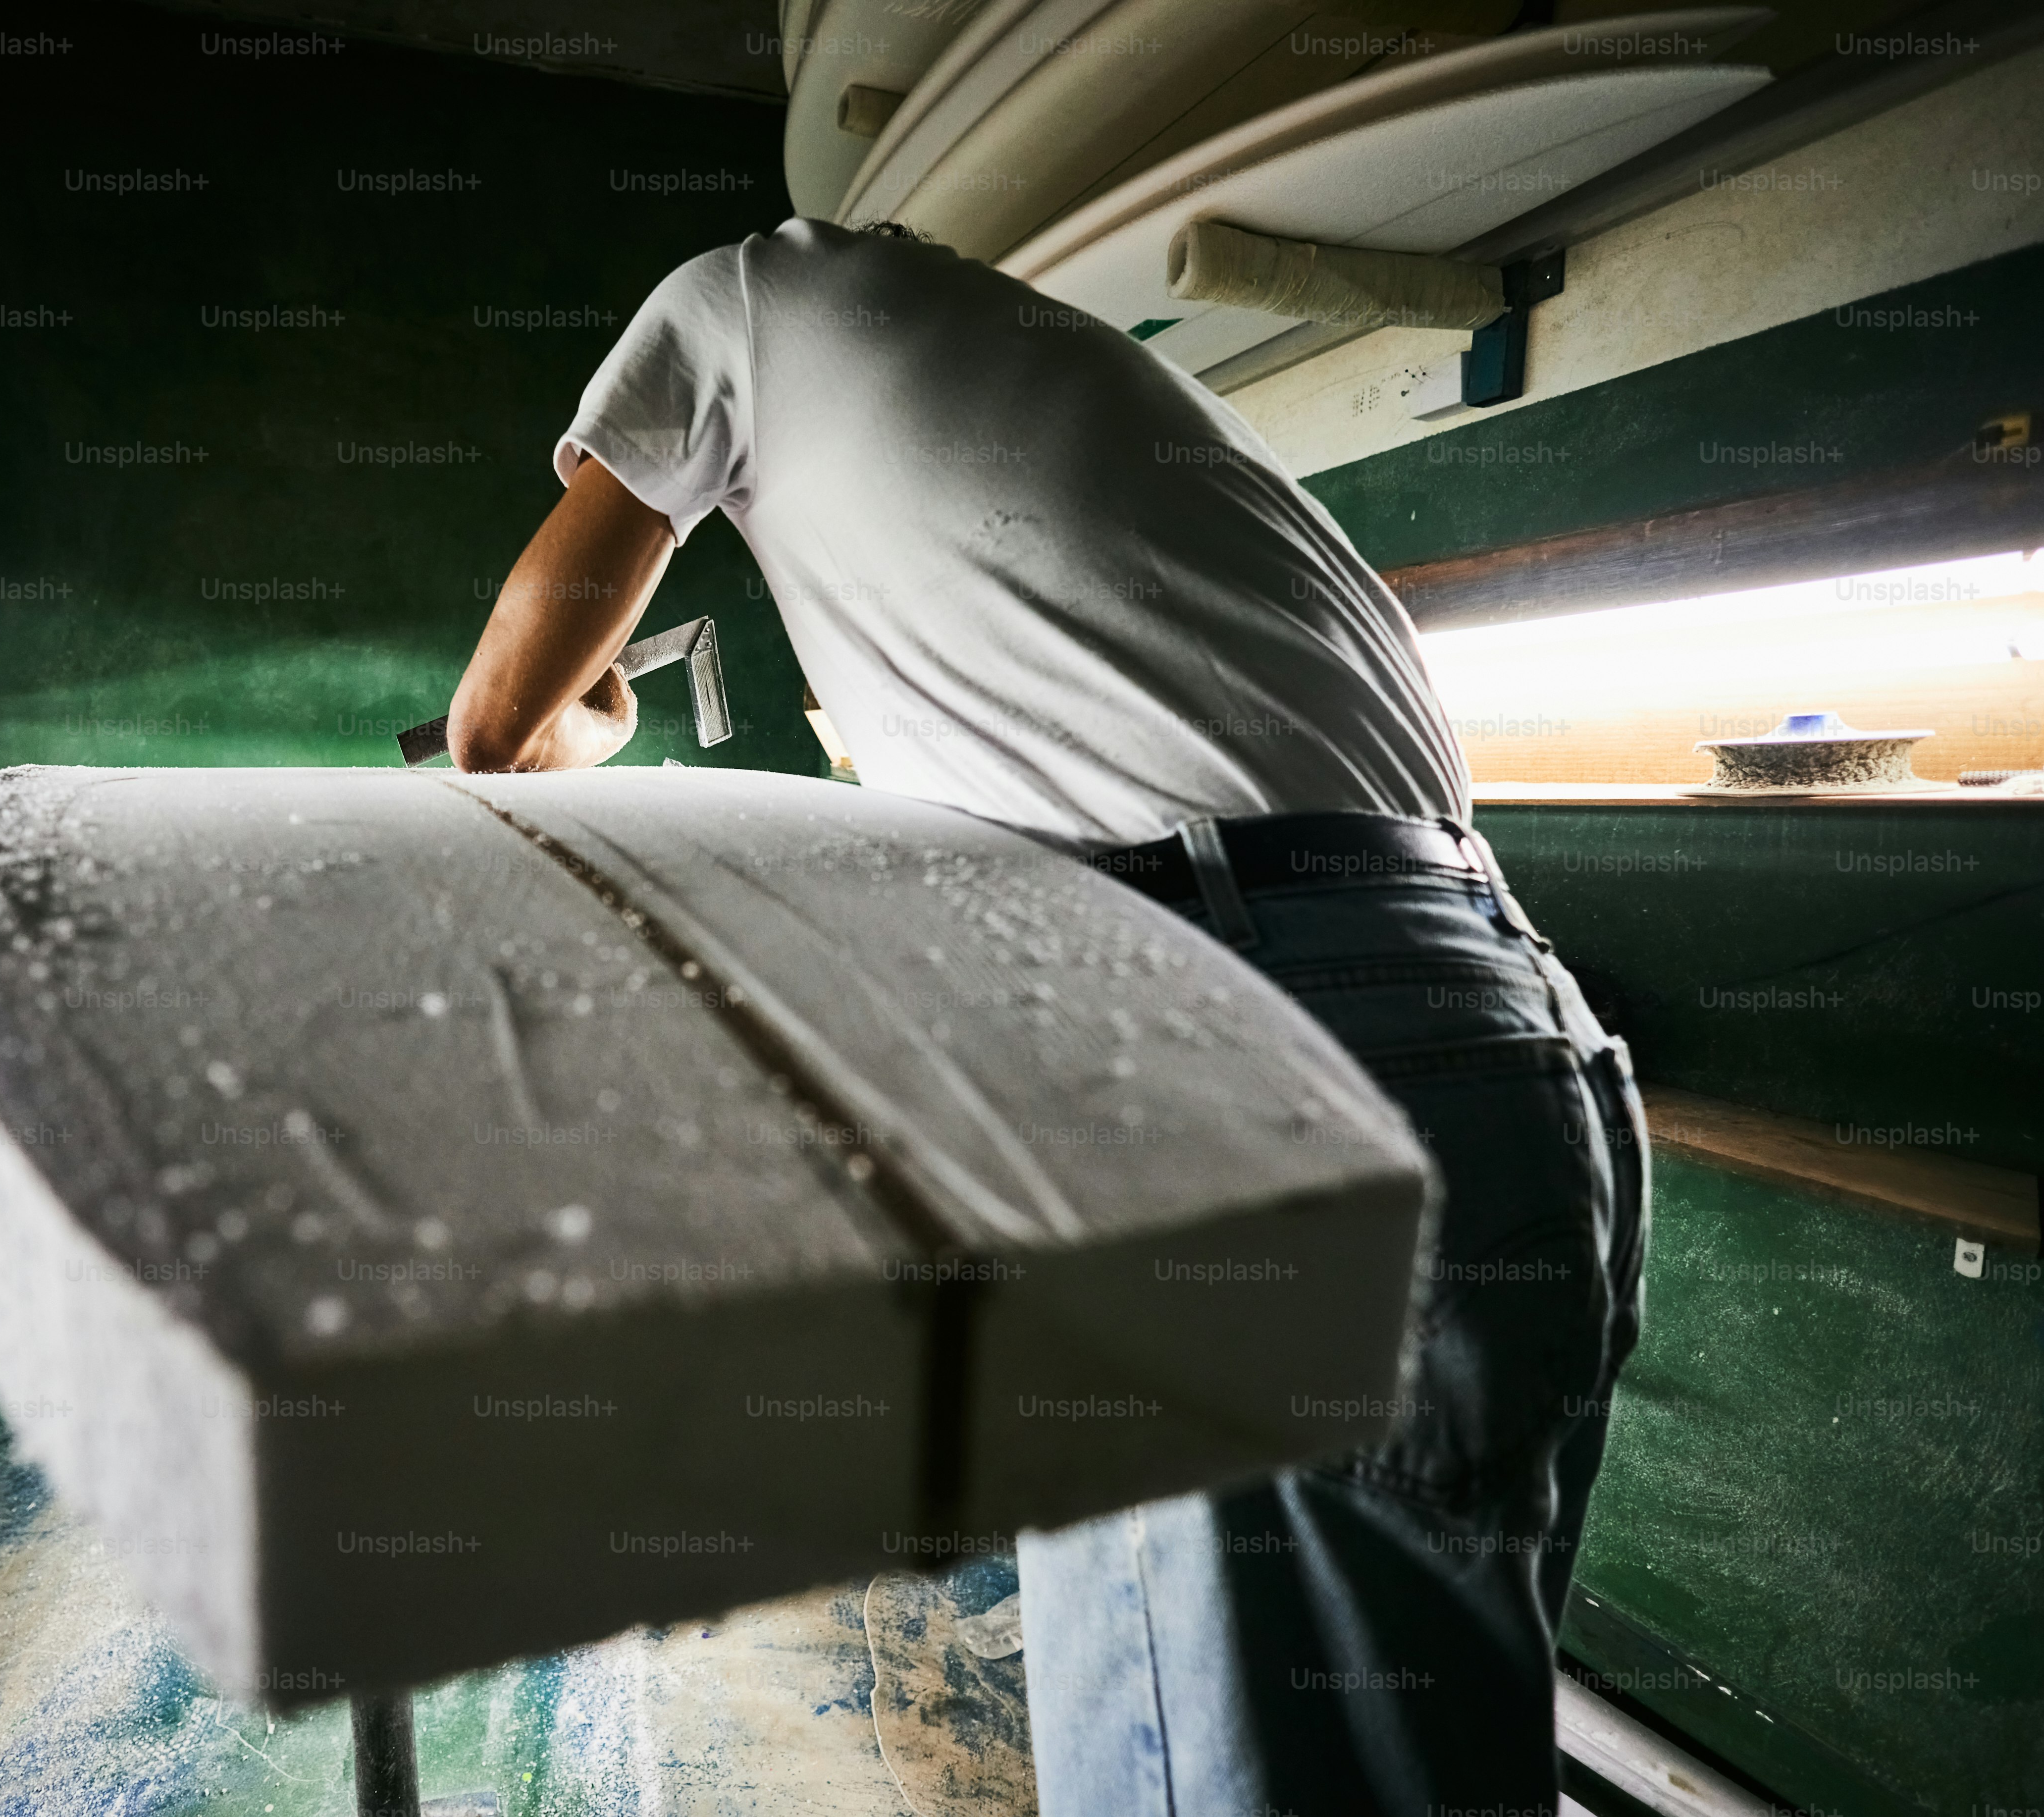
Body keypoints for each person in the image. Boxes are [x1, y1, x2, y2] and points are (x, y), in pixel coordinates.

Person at [444, 217, 1647, 1817]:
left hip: (1230, 1060)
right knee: (1410, 1750)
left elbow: (494, 731)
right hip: (1507, 1036)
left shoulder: (736, 294)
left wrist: (592, 724)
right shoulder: (1103, 389)